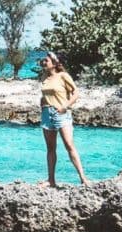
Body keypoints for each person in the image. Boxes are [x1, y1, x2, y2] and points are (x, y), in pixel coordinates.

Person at [37, 53, 89, 187]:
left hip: (61, 113)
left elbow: (76, 93)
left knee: (69, 145)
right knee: (50, 148)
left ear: (54, 63)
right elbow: (45, 95)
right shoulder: (44, 77)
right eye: (43, 60)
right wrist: (43, 104)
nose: (43, 62)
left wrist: (65, 106)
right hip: (47, 114)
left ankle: (83, 178)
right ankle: (51, 180)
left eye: (46, 60)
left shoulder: (63, 76)